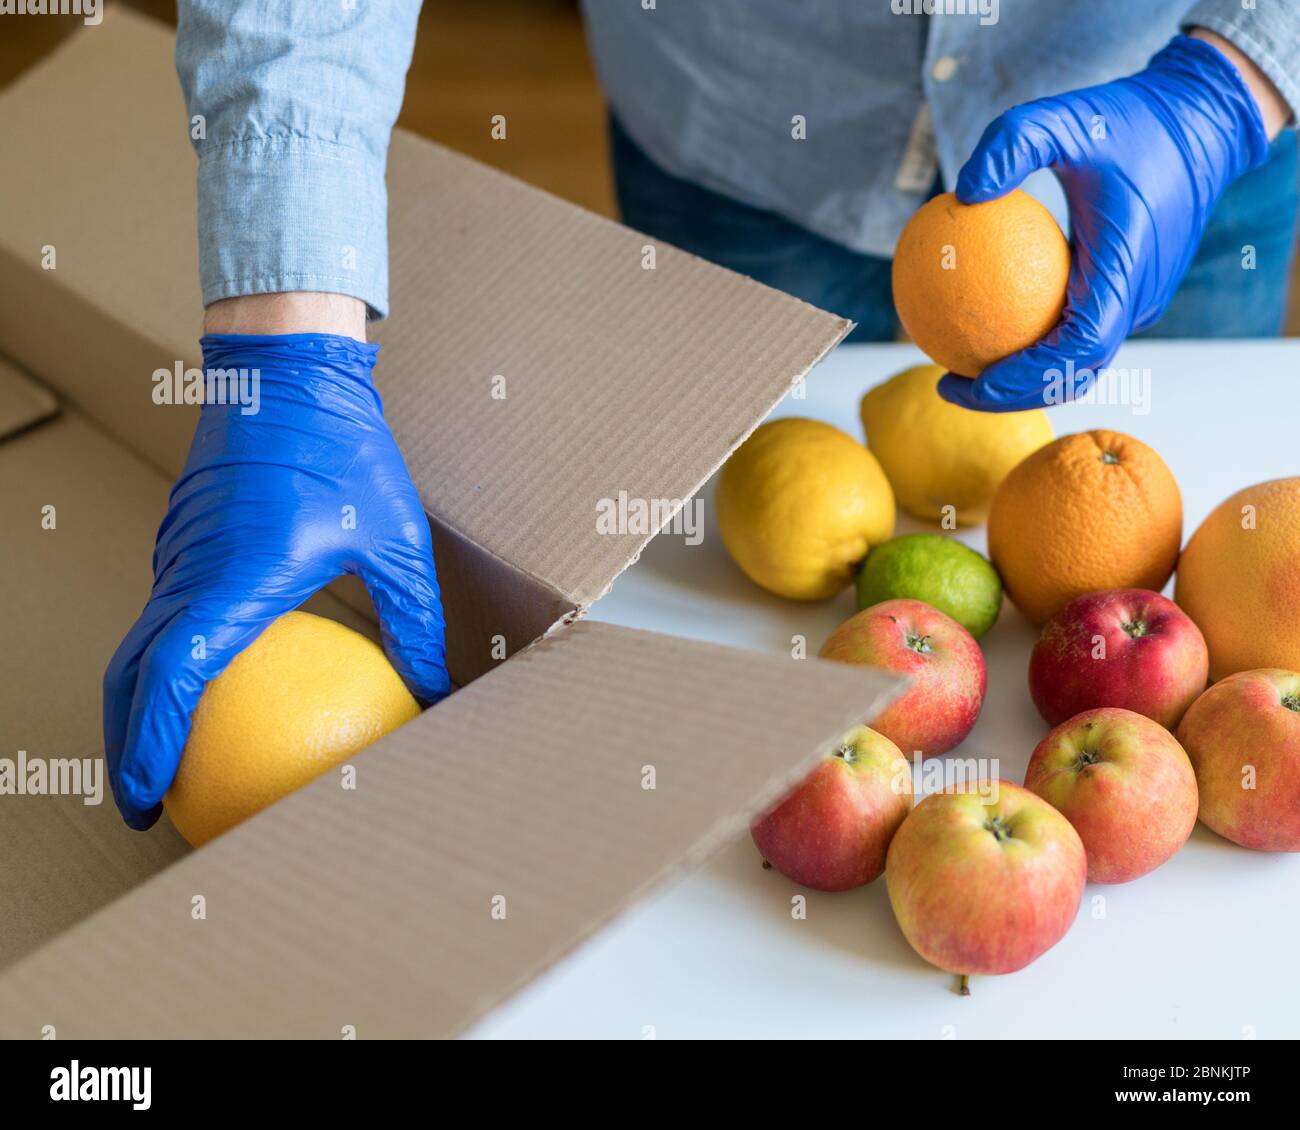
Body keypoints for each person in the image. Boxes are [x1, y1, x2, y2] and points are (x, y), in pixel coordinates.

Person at [105, 1, 1297, 827]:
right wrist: (287, 348)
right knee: (698, 576)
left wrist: (1234, 81)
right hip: (739, 132)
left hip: (1173, 118)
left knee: (1186, 566)